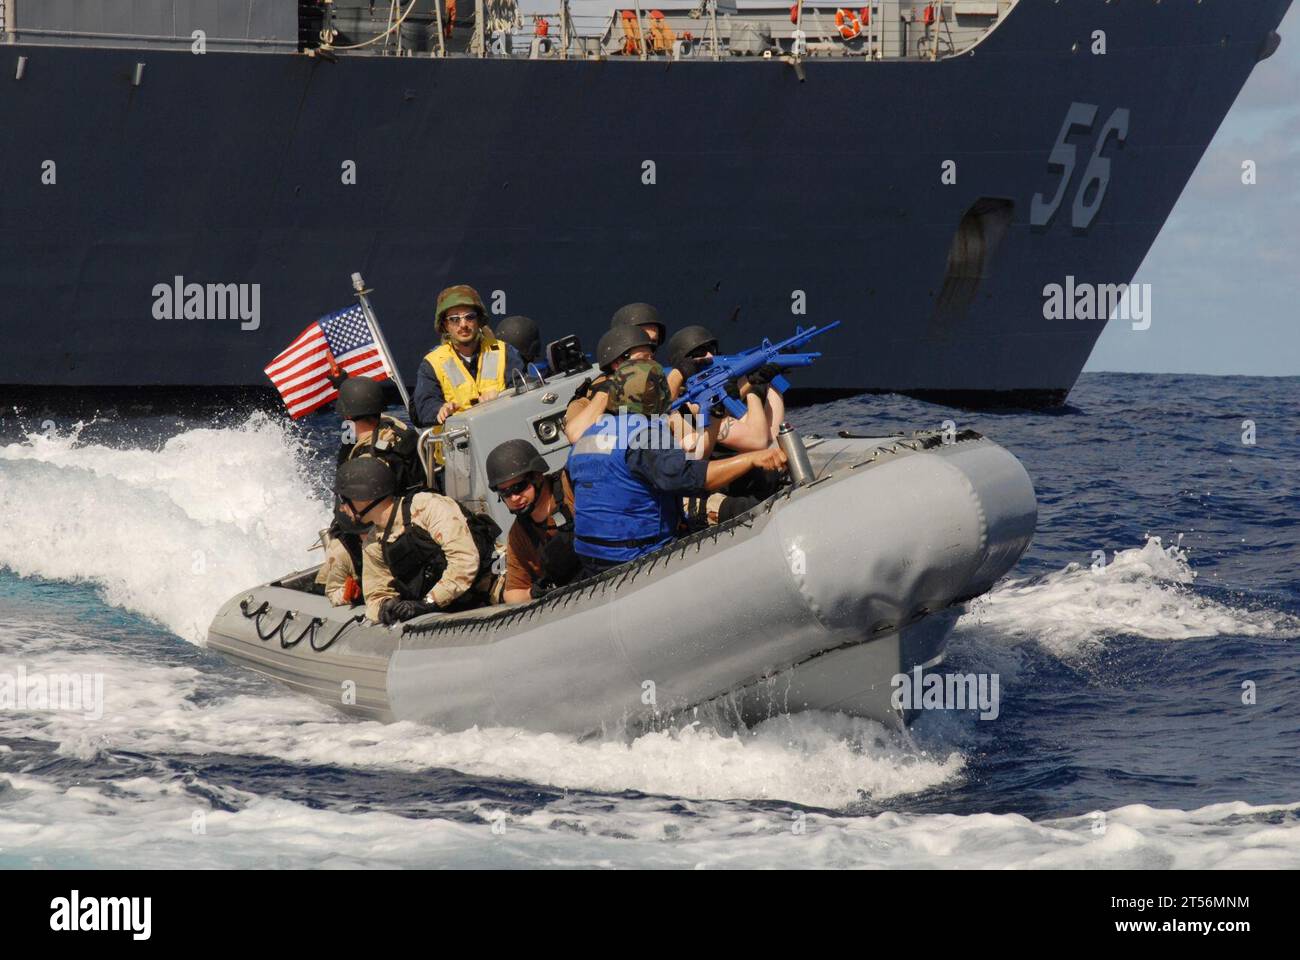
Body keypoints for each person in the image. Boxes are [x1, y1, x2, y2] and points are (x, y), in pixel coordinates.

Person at [567, 359, 788, 578]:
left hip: (592, 555)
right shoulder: (645, 436)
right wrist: (751, 459)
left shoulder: (592, 432)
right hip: (635, 557)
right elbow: (691, 477)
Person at [334, 458, 500, 624]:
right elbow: (375, 594)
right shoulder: (374, 545)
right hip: (445, 614)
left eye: (344, 500)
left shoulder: (427, 507)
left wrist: (428, 603)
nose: (342, 508)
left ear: (362, 497)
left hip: (489, 594)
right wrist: (386, 607)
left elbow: (464, 561)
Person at [315, 376, 423, 606]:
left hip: (381, 532)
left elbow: (354, 519)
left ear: (347, 417)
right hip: (413, 517)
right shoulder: (398, 431)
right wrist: (345, 384)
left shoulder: (368, 460)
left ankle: (346, 595)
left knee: (339, 547)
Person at [411, 284, 525, 427]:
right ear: (445, 325)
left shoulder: (504, 351)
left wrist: (503, 396)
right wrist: (440, 409)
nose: (463, 324)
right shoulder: (432, 363)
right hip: (457, 441)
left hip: (503, 432)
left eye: (469, 317)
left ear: (478, 321)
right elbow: (424, 406)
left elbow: (524, 390)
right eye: (454, 319)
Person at [486, 439, 581, 603]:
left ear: (537, 477)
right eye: (505, 493)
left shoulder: (571, 486)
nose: (514, 497)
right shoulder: (519, 534)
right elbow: (512, 594)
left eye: (519, 487)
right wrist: (536, 592)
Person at [563, 324, 657, 444]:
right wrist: (608, 391)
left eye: (651, 358)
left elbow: (686, 444)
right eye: (643, 358)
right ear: (618, 364)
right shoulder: (583, 404)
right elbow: (576, 435)